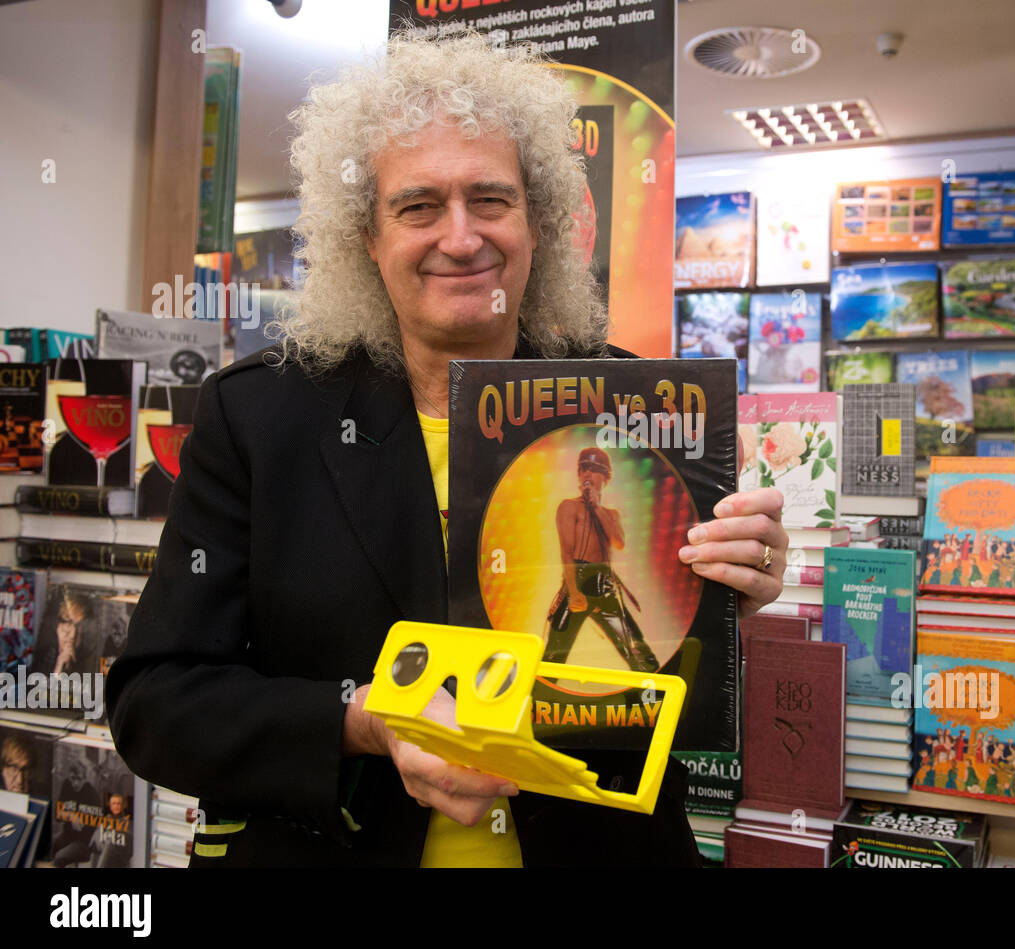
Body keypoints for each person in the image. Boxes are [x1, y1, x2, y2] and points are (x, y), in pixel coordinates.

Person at [106, 28, 787, 868]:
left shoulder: (638, 406)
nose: (460, 237)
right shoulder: (262, 419)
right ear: (367, 236)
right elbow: (155, 701)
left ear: (537, 223)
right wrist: (365, 723)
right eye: (418, 205)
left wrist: (726, 586)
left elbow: (666, 673)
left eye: (490, 200)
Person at [543, 447, 657, 672]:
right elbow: (566, 552)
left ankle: (650, 699)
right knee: (554, 655)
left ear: (606, 478)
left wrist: (596, 506)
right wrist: (574, 592)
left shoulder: (611, 515)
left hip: (605, 584)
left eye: (594, 470)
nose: (587, 474)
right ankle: (537, 702)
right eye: (583, 468)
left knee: (638, 650)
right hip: (577, 579)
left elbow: (619, 542)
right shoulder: (569, 507)